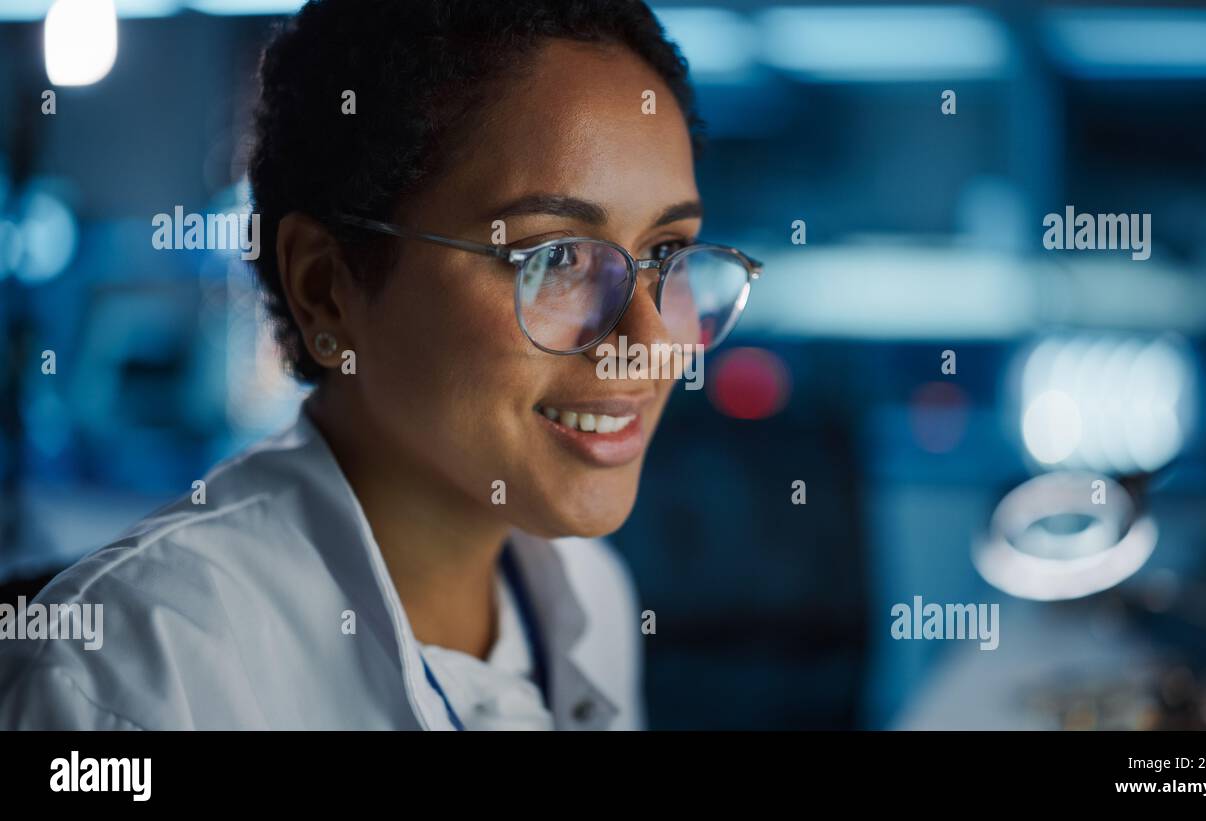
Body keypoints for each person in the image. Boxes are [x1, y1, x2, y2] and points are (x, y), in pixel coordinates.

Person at [0, 0, 760, 730]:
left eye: (665, 253)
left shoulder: (588, 598)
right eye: (555, 257)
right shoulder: (129, 678)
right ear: (326, 289)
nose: (649, 337)